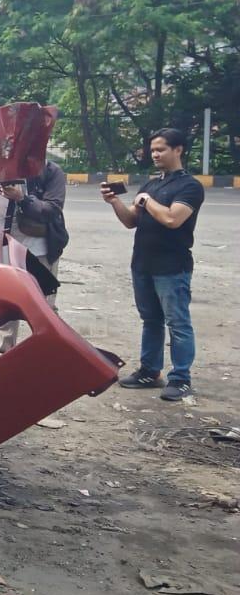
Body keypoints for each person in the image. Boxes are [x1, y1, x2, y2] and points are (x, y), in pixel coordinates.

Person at [103, 128, 205, 402]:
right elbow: (131, 221)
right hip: (143, 264)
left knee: (178, 323)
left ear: (178, 149)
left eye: (161, 149)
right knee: (151, 321)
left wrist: (147, 201)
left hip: (172, 266)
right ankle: (150, 371)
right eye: (153, 150)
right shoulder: (150, 185)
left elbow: (173, 219)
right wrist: (114, 201)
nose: (155, 154)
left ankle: (181, 379)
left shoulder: (190, 186)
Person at [0, 159, 69, 351]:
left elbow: (52, 210)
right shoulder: (1, 169)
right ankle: (6, 350)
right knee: (8, 301)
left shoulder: (51, 171)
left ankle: (50, 350)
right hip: (6, 246)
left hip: (41, 250)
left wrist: (23, 199)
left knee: (45, 305)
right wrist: (1, 196)